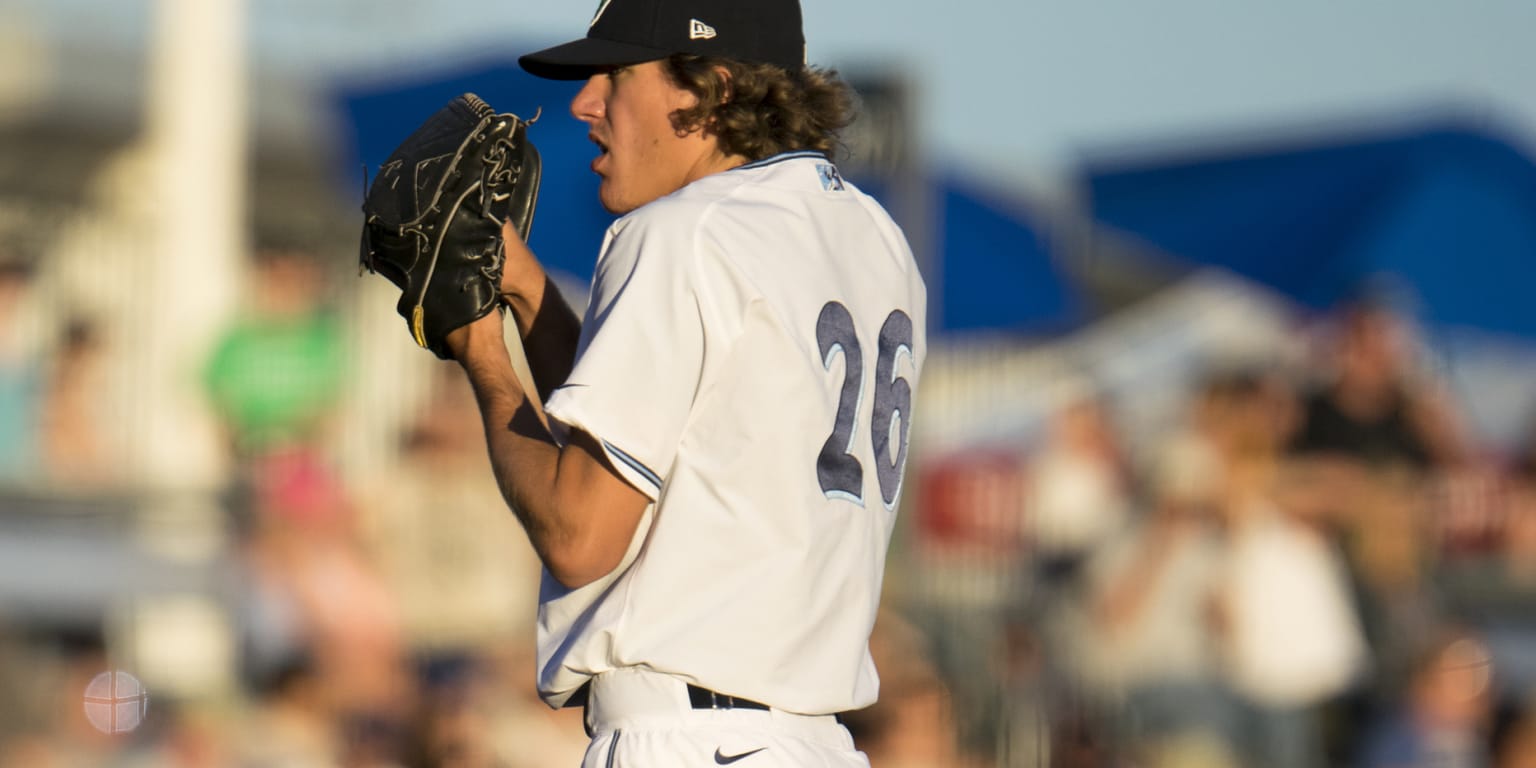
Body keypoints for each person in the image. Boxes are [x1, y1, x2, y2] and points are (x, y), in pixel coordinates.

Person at [438, 0, 928, 765]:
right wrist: (530, 295)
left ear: (712, 90)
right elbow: (677, 439)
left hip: (688, 738)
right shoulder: (876, 238)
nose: (585, 103)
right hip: (812, 742)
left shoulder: (681, 231)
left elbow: (581, 534)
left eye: (618, 74)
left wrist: (482, 353)